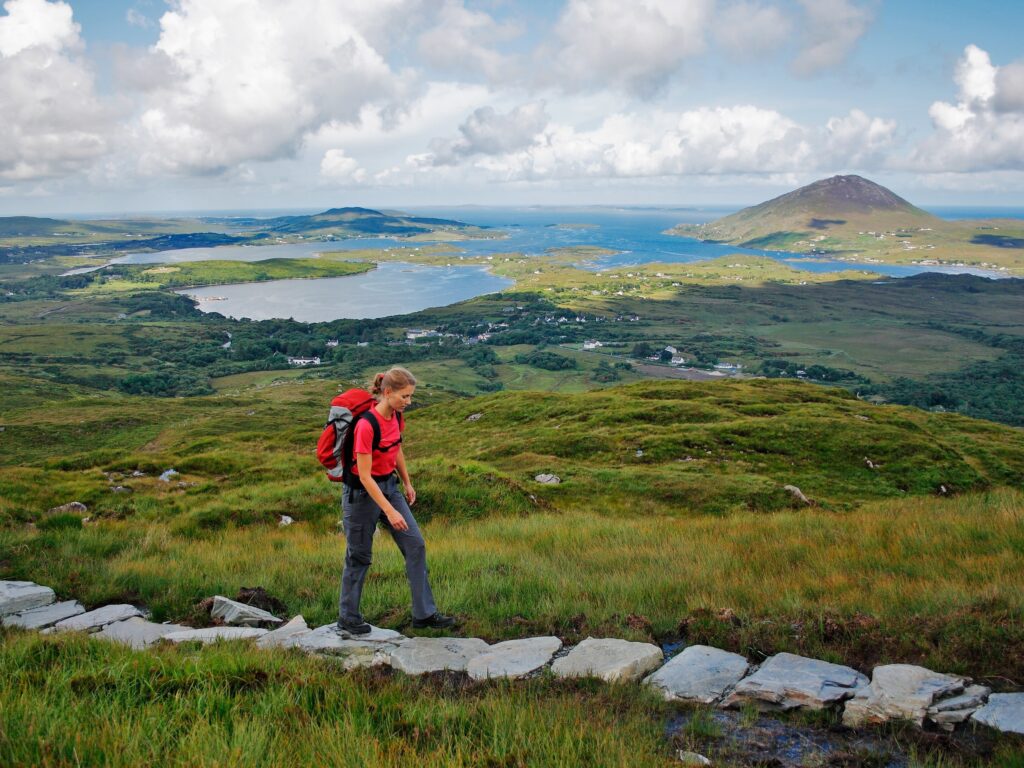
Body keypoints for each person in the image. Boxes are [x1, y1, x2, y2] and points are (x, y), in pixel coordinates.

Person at [338, 366, 456, 635]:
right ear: (387, 392)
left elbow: (396, 448)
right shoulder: (366, 425)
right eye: (405, 396)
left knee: (415, 545)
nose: (409, 402)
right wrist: (389, 511)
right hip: (361, 494)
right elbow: (365, 477)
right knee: (359, 556)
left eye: (411, 396)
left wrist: (407, 481)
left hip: (389, 486)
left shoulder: (396, 416)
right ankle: (348, 617)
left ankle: (424, 614)